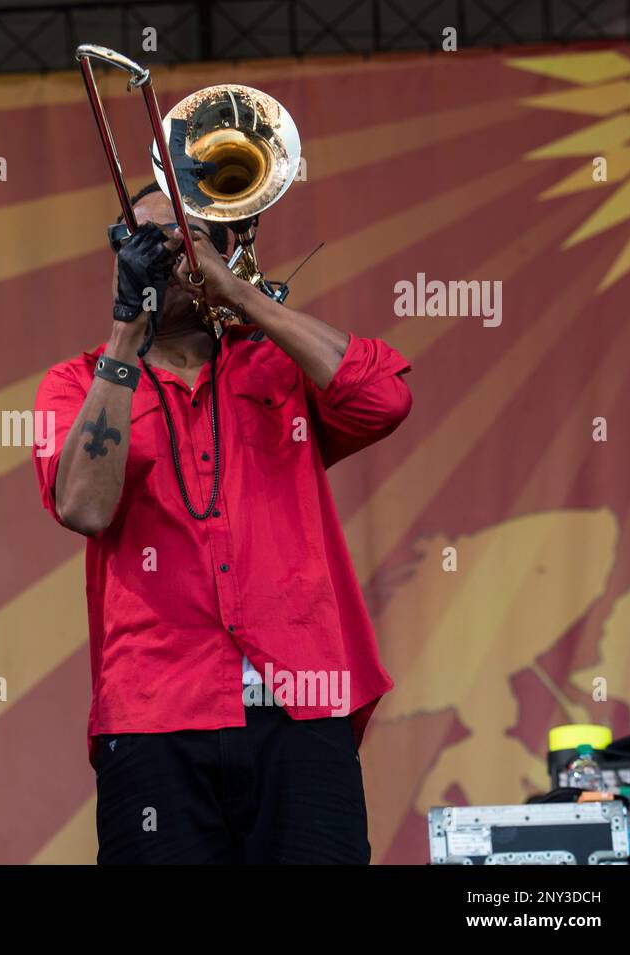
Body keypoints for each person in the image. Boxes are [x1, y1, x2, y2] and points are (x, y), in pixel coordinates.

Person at [32, 184, 412, 864]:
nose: (154, 259)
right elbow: (84, 507)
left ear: (222, 250)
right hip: (156, 718)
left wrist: (240, 297)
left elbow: (384, 397)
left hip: (301, 709)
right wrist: (127, 326)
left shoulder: (279, 365)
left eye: (178, 242)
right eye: (134, 245)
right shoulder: (76, 383)